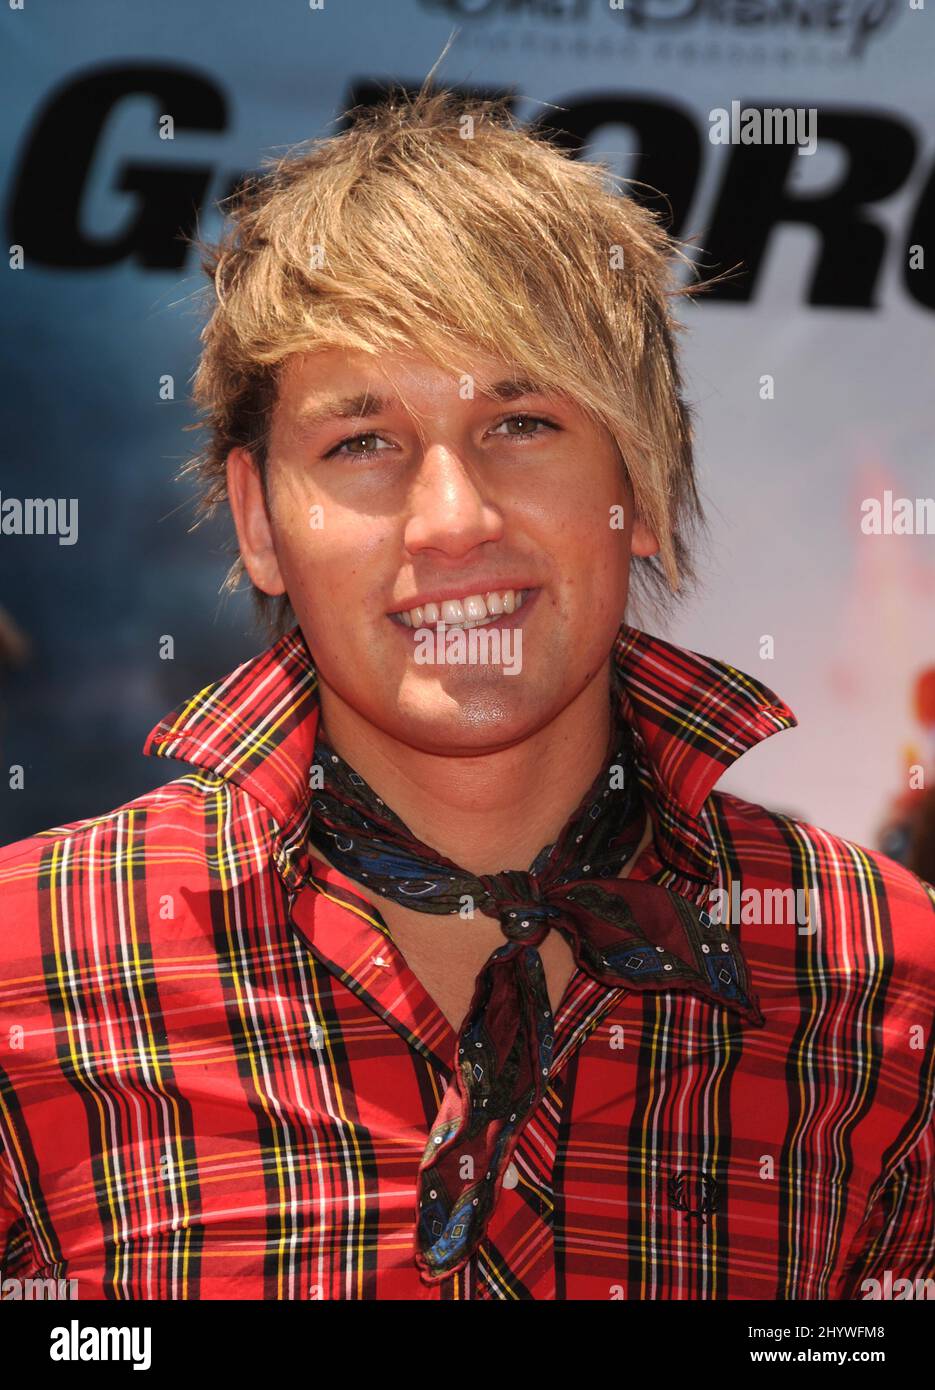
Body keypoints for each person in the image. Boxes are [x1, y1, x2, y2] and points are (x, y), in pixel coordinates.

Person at [1, 83, 933, 1303]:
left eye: (523, 420)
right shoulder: (30, 967)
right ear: (257, 520)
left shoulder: (885, 973)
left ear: (643, 484)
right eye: (362, 442)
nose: (453, 520)